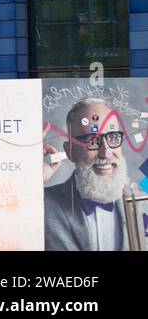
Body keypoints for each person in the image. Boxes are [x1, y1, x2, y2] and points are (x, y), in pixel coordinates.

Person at [43, 98, 133, 250]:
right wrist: (31, 178)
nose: (106, 153)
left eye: (113, 138)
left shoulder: (142, 201)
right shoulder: (40, 204)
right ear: (70, 151)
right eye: (92, 141)